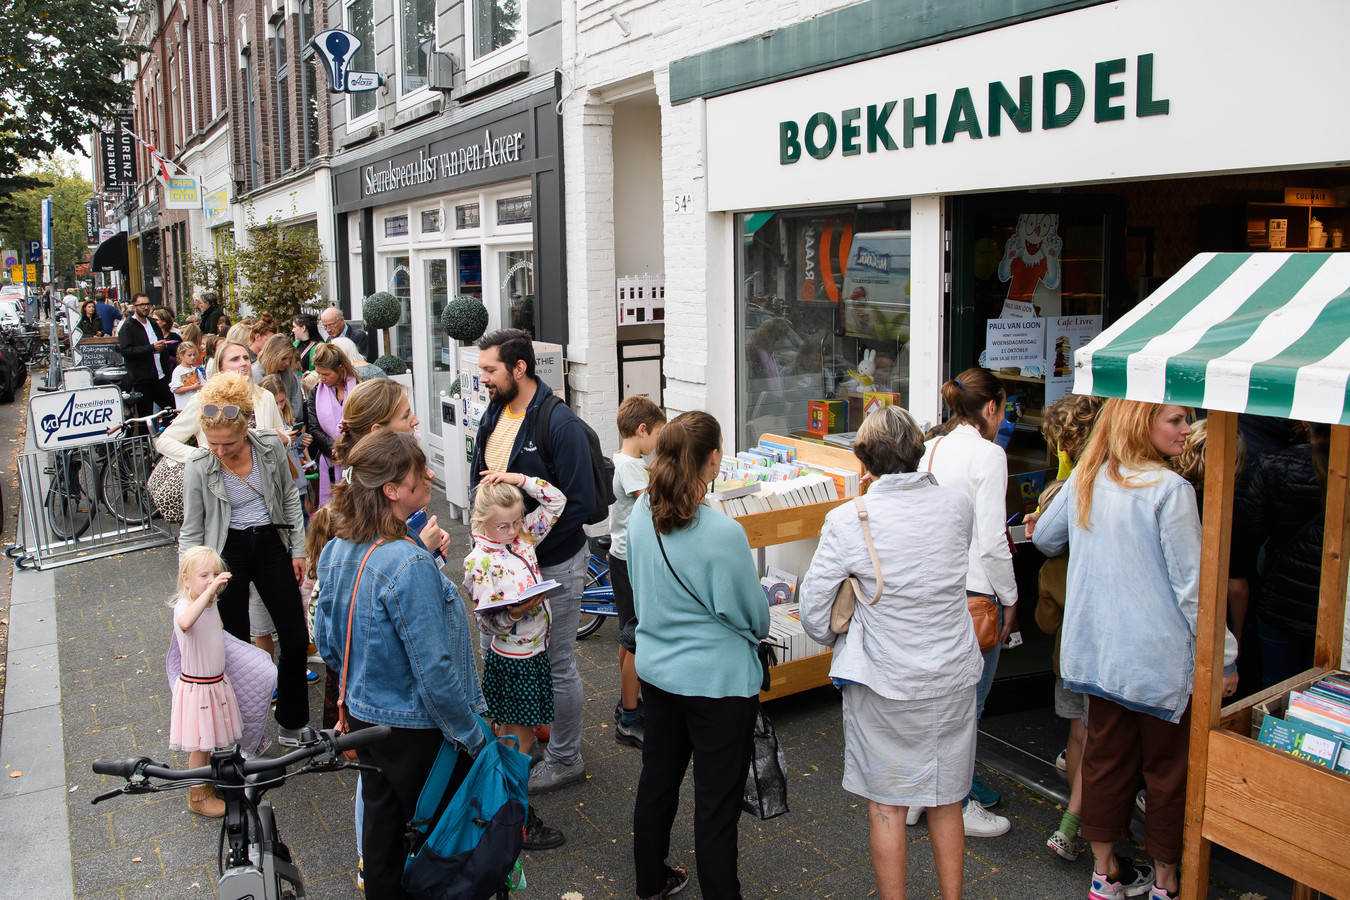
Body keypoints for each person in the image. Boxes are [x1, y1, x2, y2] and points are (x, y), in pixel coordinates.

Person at [1032, 400, 1239, 900]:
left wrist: (1086, 466)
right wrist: (1226, 654)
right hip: (1156, 661)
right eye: (1176, 420)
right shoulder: (1170, 489)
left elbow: (1043, 535)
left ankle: (1106, 875)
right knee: (1167, 773)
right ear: (1139, 423)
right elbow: (1193, 588)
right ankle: (1166, 882)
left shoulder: (1093, 477)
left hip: (1100, 656)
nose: (1187, 429)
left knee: (1105, 762)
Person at [798, 406, 983, 900]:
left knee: (887, 804)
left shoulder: (846, 520)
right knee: (948, 798)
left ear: (864, 459)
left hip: (884, 679)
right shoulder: (958, 506)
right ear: (918, 450)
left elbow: (815, 614)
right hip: (952, 673)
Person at [315, 431, 487, 900]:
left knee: (382, 833)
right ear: (392, 488)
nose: (430, 474)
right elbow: (435, 671)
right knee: (445, 843)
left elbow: (327, 644)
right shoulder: (408, 563)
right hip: (416, 729)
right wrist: (471, 735)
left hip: (365, 721)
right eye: (420, 471)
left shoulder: (337, 549)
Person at [626, 410, 767, 900]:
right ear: (712, 459)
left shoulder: (641, 513)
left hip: (658, 672)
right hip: (718, 683)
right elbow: (755, 617)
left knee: (658, 781)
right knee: (715, 807)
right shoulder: (723, 534)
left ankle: (649, 882)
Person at [470, 328, 596, 794]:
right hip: (505, 564)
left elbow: (577, 501)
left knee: (557, 662)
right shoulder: (497, 411)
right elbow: (482, 480)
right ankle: (522, 740)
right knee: (505, 655)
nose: (482, 378)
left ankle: (566, 758)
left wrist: (522, 549)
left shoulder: (558, 423)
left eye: (490, 369)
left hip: (553, 566)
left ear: (519, 368)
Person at [179, 373, 310, 747]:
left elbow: (288, 498)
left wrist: (297, 549)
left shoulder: (268, 445)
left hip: (271, 544)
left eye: (229, 443)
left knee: (295, 637)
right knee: (232, 644)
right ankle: (239, 731)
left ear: (246, 426)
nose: (220, 450)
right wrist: (189, 582)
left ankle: (291, 721)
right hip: (227, 554)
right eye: (212, 443)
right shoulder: (199, 465)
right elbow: (191, 529)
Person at [916, 367, 1017, 834]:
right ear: (992, 407)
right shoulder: (990, 455)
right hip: (977, 592)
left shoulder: (932, 446)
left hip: (935, 588)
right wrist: (1011, 597)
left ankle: (922, 795)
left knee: (938, 699)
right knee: (969, 706)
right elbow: (994, 542)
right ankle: (956, 805)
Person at [465, 472, 568, 850]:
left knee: (512, 740)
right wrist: (516, 612)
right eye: (502, 526)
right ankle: (516, 820)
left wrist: (518, 479)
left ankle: (504, 812)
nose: (512, 530)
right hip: (514, 660)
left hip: (533, 652)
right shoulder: (479, 562)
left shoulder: (523, 538)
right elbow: (488, 623)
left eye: (517, 521)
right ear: (480, 524)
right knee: (518, 745)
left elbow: (556, 501)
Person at [1233, 422, 1328, 688]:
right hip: (1335, 611)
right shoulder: (1276, 464)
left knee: (1275, 688)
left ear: (1308, 424)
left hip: (1281, 601)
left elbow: (1245, 538)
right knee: (1327, 695)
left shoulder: (1273, 464)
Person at [609, 395, 667, 750]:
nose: (659, 442)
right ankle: (630, 719)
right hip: (631, 560)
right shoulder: (630, 466)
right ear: (642, 430)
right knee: (637, 640)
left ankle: (626, 701)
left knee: (628, 635)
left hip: (622, 557)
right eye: (658, 434)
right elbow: (654, 502)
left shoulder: (626, 460)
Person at [169, 545, 241, 819]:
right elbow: (186, 623)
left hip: (213, 684)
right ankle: (197, 796)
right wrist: (210, 593)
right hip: (198, 687)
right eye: (203, 576)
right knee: (200, 744)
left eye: (215, 574)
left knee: (209, 740)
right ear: (186, 579)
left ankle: (210, 783)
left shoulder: (209, 604)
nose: (211, 581)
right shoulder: (185, 606)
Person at [156, 340, 287, 465]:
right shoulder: (203, 400)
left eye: (246, 358)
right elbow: (165, 441)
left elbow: (282, 438)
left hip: (261, 480)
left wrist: (285, 439)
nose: (244, 363)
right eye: (235, 359)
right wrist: (201, 456)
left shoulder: (265, 396)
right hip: (219, 480)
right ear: (220, 367)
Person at [305, 342, 360, 505]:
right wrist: (333, 449)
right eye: (319, 373)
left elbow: (366, 422)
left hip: (357, 457)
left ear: (341, 368)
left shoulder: (359, 386)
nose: (321, 378)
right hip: (329, 459)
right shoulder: (316, 391)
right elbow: (314, 427)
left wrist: (346, 448)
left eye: (326, 374)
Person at [118, 293, 174, 416]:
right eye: (141, 305)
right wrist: (151, 348)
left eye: (147, 304)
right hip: (142, 379)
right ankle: (147, 436)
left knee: (170, 410)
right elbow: (126, 351)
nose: (145, 307)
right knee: (146, 414)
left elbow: (161, 347)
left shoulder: (153, 323)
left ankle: (167, 434)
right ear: (134, 307)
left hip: (160, 376)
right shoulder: (128, 327)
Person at [257, 334, 304, 418]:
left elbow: (296, 400)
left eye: (289, 359)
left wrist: (291, 421)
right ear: (272, 356)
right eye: (283, 358)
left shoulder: (288, 372)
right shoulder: (257, 373)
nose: (287, 362)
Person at [169, 342, 205, 410]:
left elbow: (204, 385)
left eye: (194, 355)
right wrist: (192, 387)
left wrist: (200, 386)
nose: (193, 357)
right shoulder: (178, 370)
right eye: (189, 355)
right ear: (181, 355)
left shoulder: (196, 370)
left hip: (196, 407)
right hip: (184, 407)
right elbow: (176, 389)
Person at [153, 307, 182, 385]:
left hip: (173, 372)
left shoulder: (175, 337)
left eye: (156, 320)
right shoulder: (152, 337)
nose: (153, 322)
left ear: (164, 322)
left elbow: (181, 353)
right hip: (156, 372)